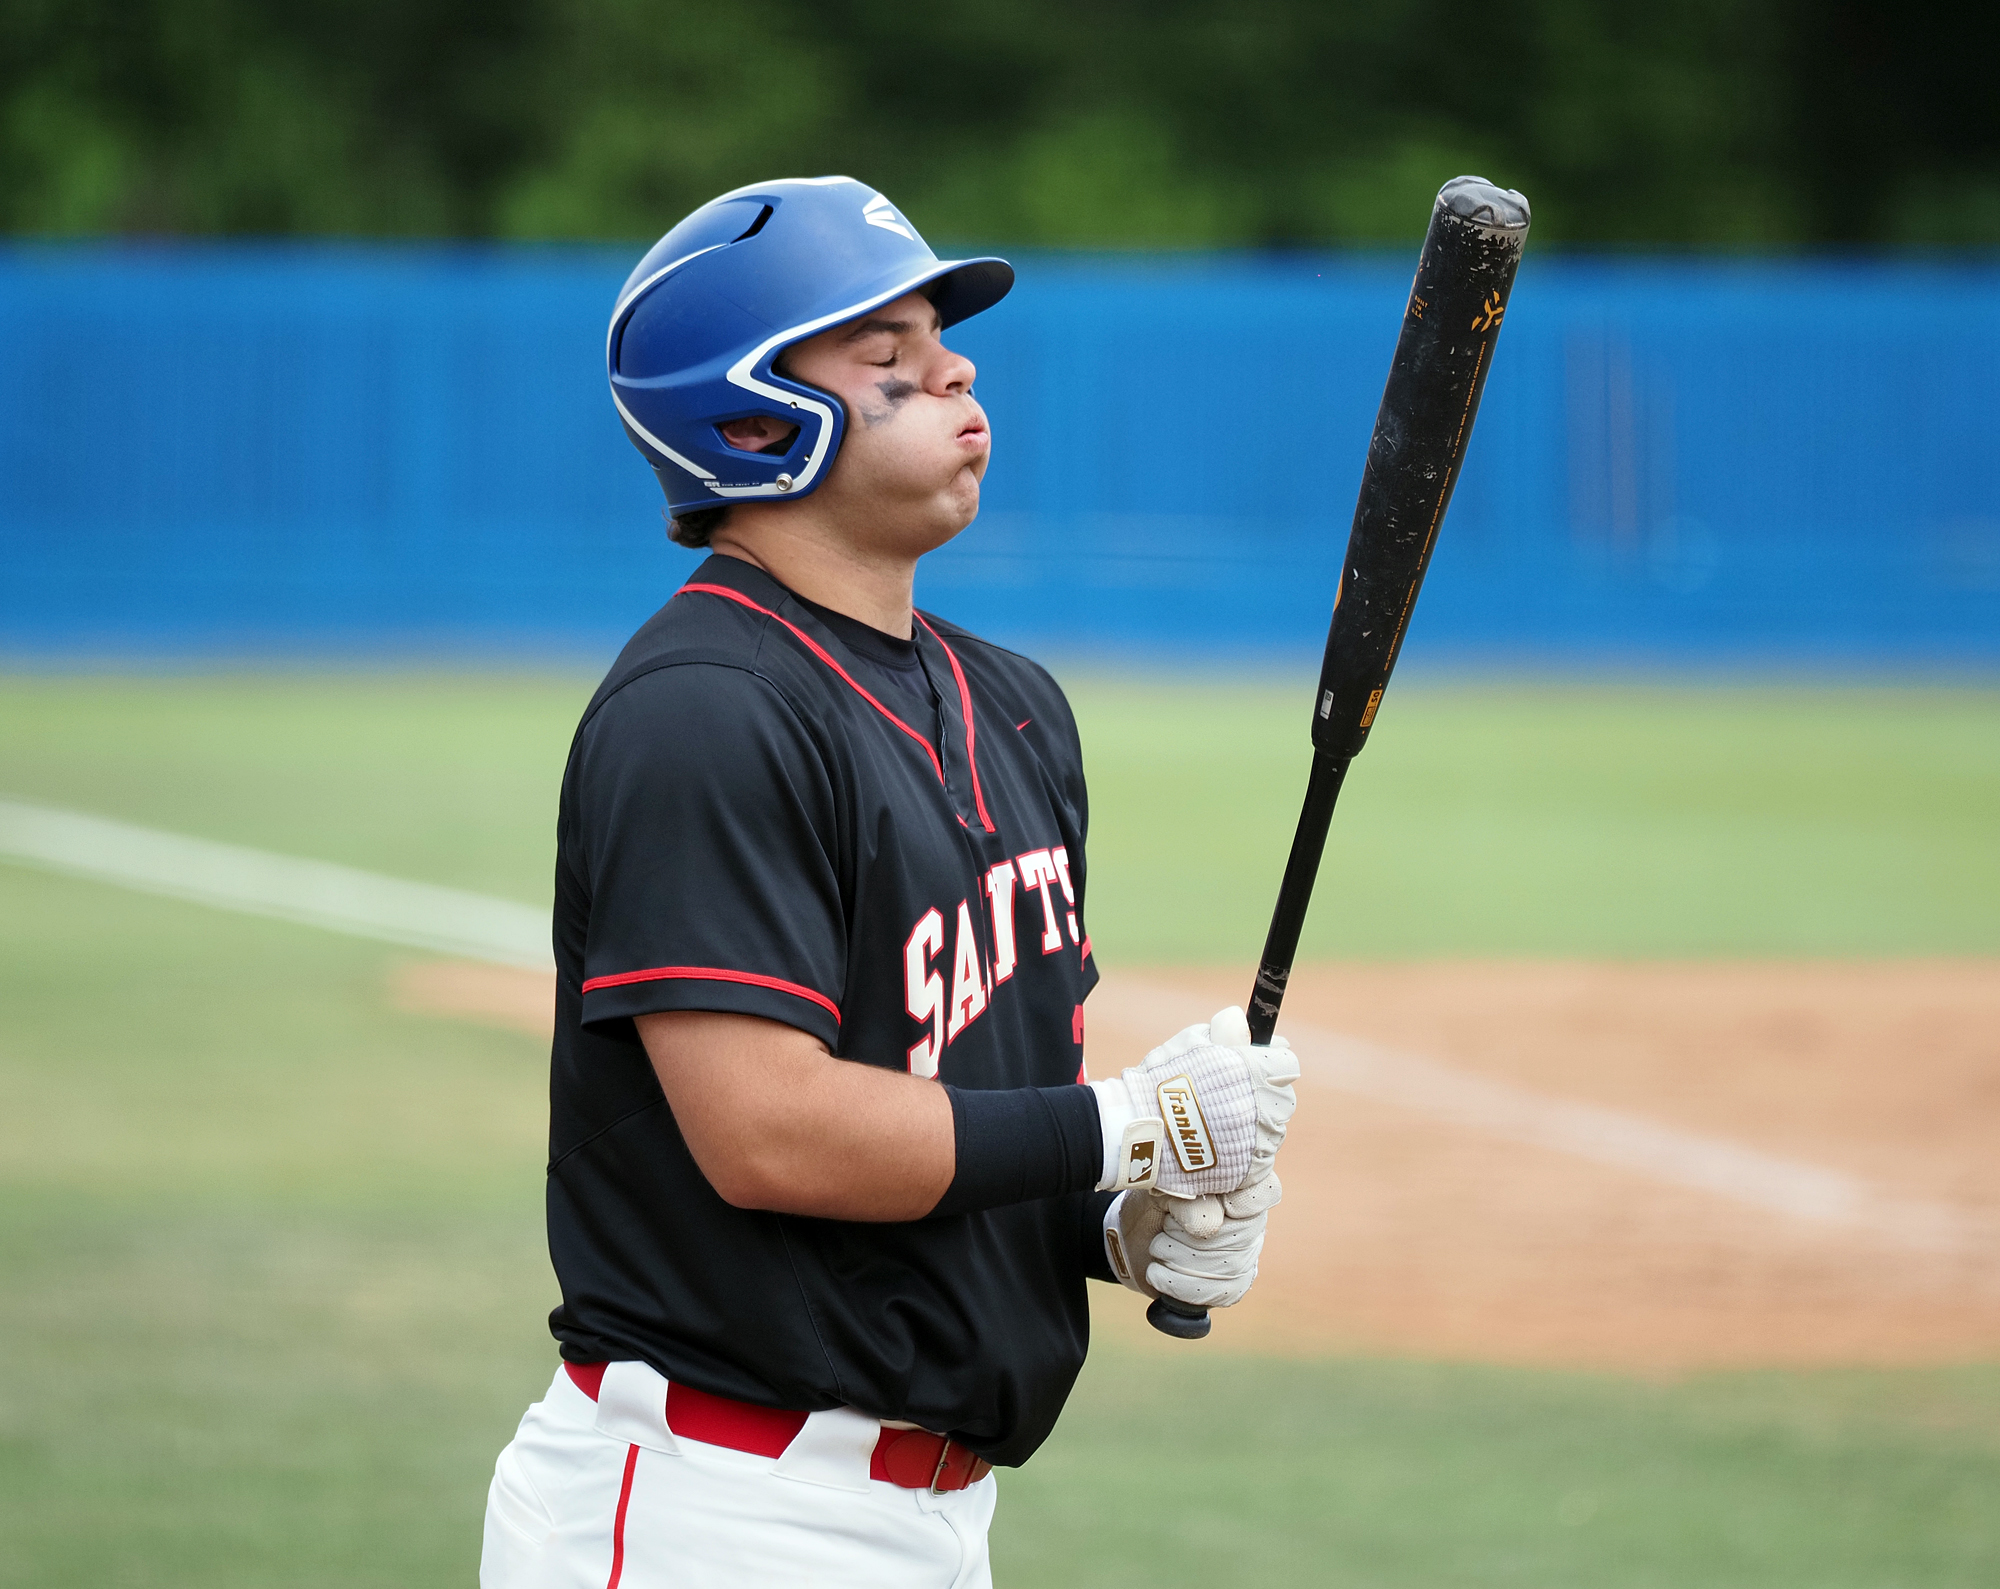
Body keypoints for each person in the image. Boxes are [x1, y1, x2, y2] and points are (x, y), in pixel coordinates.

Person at [479, 176, 1299, 1589]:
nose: (955, 368)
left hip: (930, 1520)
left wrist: (1119, 1226)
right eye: (889, 355)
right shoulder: (707, 707)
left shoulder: (1018, 705)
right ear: (749, 420)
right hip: (713, 1508)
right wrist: (1123, 1127)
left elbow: (959, 1106)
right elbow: (771, 1133)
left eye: (944, 340)